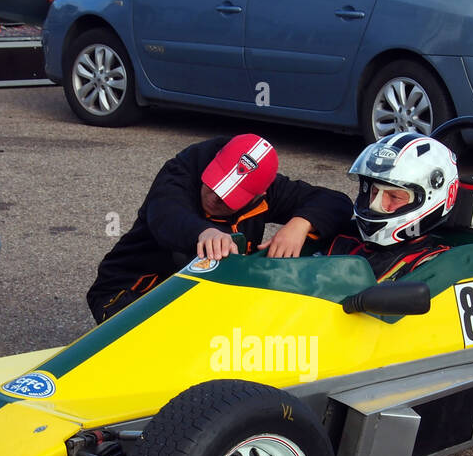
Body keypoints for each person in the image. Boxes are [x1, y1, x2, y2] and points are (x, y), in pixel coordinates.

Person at [86, 133, 354, 322]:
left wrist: (299, 224)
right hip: (128, 292)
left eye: (228, 198)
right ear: (215, 161)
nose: (214, 197)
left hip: (206, 298)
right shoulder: (179, 172)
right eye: (213, 185)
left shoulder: (267, 189)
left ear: (259, 196)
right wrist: (204, 233)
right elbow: (166, 214)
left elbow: (337, 203)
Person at [318, 132, 458, 281]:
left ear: (432, 198)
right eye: (374, 192)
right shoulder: (345, 243)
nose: (375, 205)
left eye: (394, 197)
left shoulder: (431, 266)